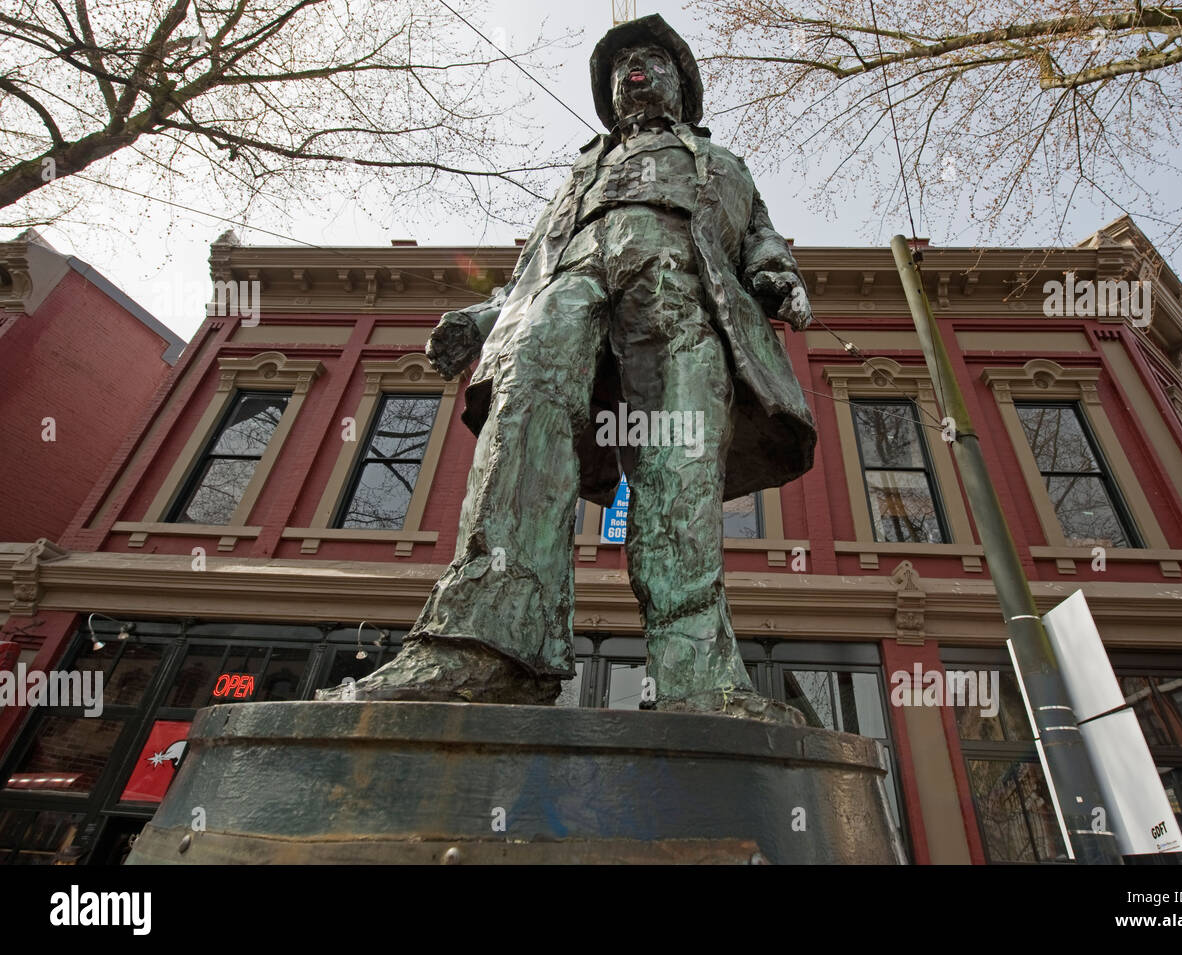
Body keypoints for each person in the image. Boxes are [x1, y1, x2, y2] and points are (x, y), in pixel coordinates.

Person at [317, 15, 815, 724]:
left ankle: (700, 678)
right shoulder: (584, 170)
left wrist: (775, 278)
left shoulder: (725, 165)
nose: (631, 72)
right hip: (571, 282)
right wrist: (485, 318)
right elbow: (531, 265)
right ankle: (488, 648)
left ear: (682, 85)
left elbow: (760, 239)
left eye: (648, 61)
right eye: (620, 66)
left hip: (681, 290)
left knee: (681, 471)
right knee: (522, 407)